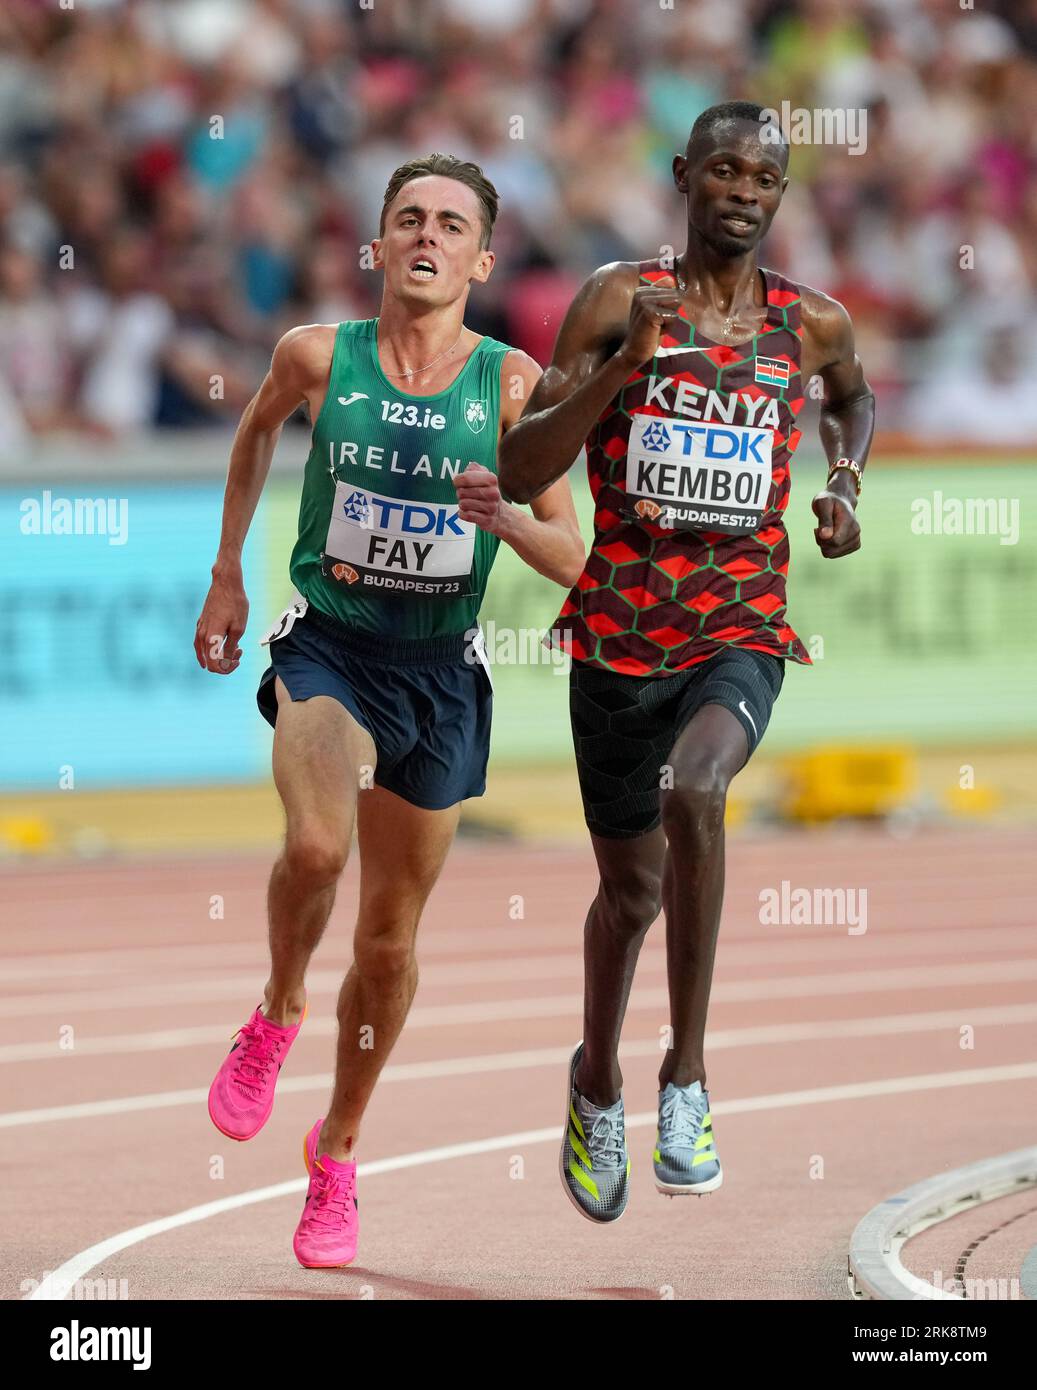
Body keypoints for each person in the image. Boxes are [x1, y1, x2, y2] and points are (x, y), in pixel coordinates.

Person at [194, 153, 584, 1266]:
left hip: (441, 677)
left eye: (449, 223)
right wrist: (228, 572)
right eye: (406, 218)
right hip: (329, 649)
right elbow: (255, 431)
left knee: (387, 943)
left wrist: (505, 516)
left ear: (481, 257)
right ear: (376, 246)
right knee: (316, 846)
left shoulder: (515, 389)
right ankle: (273, 1014)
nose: (426, 236)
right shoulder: (317, 356)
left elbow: (573, 555)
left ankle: (337, 1153)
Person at [499, 102, 874, 1221]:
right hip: (616, 635)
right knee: (628, 896)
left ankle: (687, 1077)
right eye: (723, 169)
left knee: (699, 789)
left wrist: (844, 484)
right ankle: (595, 1076)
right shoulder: (619, 299)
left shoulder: (811, 324)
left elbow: (850, 402)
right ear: (682, 176)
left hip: (739, 623)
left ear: (779, 196)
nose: (743, 191)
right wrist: (624, 371)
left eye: (765, 176)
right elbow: (521, 469)